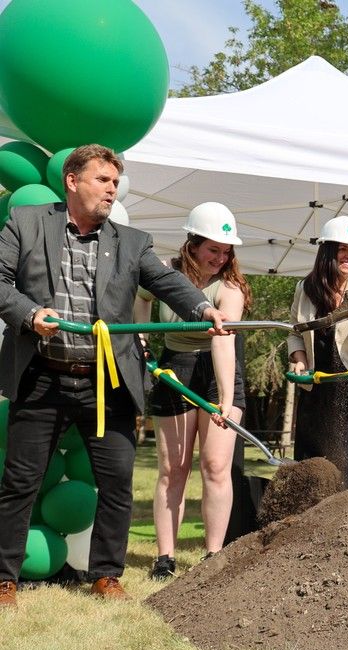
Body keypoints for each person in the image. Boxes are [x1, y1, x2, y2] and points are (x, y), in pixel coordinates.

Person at [0, 144, 228, 608]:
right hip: (41, 376)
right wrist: (29, 313)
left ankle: (106, 575)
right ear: (72, 181)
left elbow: (166, 281)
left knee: (118, 482)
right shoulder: (25, 223)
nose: (111, 189)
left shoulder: (132, 241)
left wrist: (202, 307)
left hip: (108, 382)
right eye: (102, 180)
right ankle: (4, 579)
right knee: (20, 482)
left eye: (115, 182)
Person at [134, 203, 250, 580]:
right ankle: (164, 558)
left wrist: (226, 401)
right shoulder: (165, 273)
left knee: (215, 466)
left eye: (226, 251)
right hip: (174, 369)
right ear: (193, 244)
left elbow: (223, 341)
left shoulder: (229, 288)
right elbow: (141, 298)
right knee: (173, 468)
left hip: (219, 371)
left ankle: (213, 555)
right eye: (213, 249)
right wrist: (142, 341)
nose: (221, 258)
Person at [288, 216, 348, 487]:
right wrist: (299, 359)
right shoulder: (305, 289)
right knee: (310, 464)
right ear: (327, 252)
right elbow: (294, 330)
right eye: (343, 249)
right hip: (316, 389)